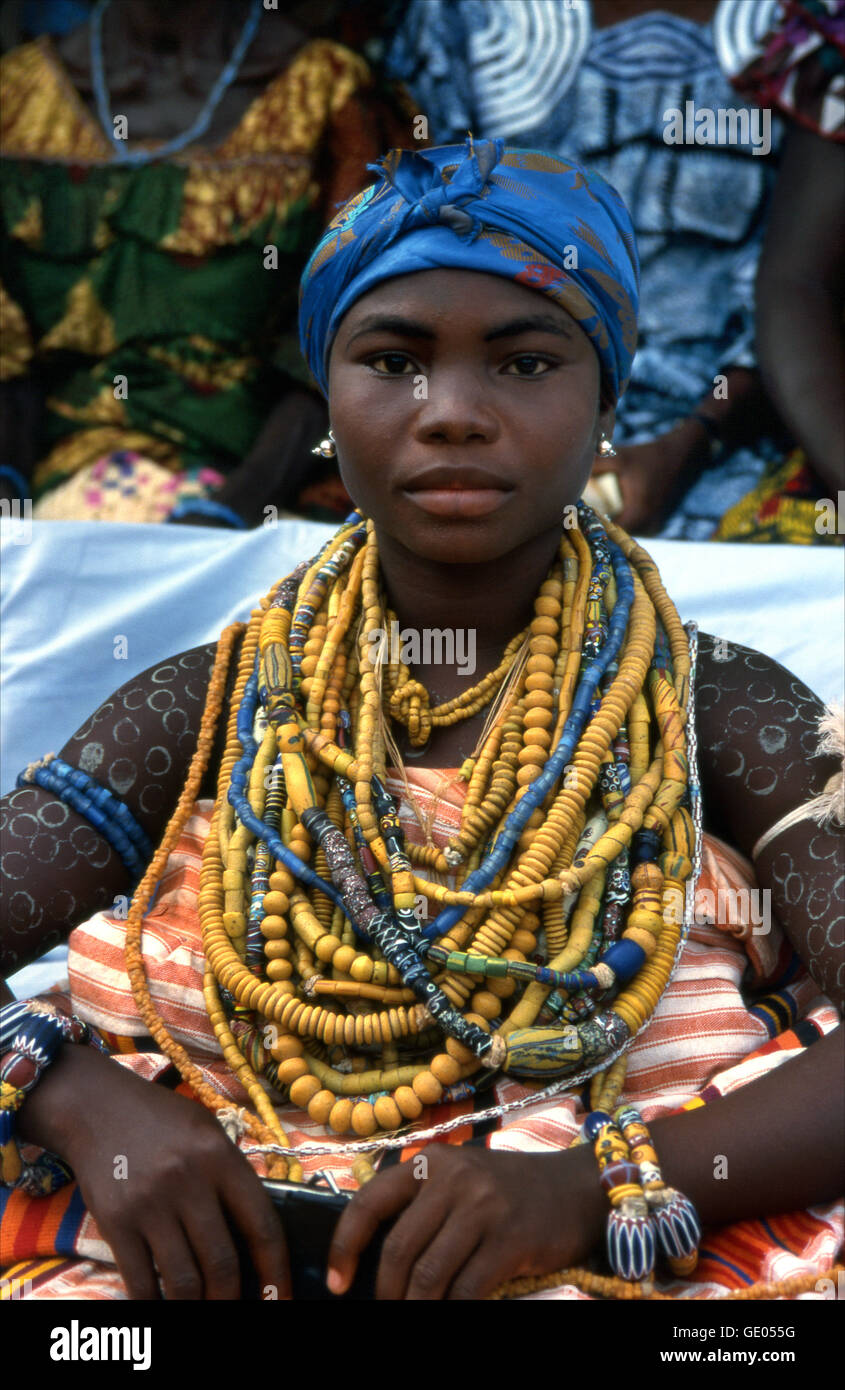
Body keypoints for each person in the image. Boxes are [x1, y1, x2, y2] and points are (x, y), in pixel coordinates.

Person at [1, 138, 842, 1303]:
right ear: (326, 398)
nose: (449, 412)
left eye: (523, 363)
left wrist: (593, 1191)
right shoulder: (215, 701)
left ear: (605, 398)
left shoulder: (719, 708)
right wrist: (65, 1088)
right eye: (390, 360)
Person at [0, 0, 411, 525]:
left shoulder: (332, 95)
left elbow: (357, 328)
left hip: (264, 493)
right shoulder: (19, 97)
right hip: (46, 489)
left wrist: (238, 508)